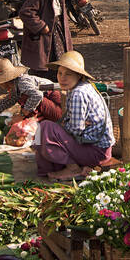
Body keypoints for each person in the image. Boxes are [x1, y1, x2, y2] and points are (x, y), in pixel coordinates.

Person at [33, 51, 114, 180]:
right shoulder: (79, 88)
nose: (62, 78)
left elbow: (75, 129)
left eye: (68, 74)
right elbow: (74, 126)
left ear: (79, 75)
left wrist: (64, 127)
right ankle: (59, 166)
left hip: (97, 152)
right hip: (91, 147)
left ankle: (73, 168)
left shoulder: (78, 93)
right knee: (44, 135)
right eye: (60, 73)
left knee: (46, 127)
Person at [20, 0, 75, 74]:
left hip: (58, 30)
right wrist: (41, 26)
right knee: (44, 60)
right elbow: (26, 12)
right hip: (45, 32)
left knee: (61, 59)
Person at [0, 58, 62, 123]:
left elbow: (37, 95)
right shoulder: (15, 87)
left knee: (26, 99)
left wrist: (22, 115)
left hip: (57, 109)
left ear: (3, 81)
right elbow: (5, 104)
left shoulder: (22, 83)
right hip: (46, 106)